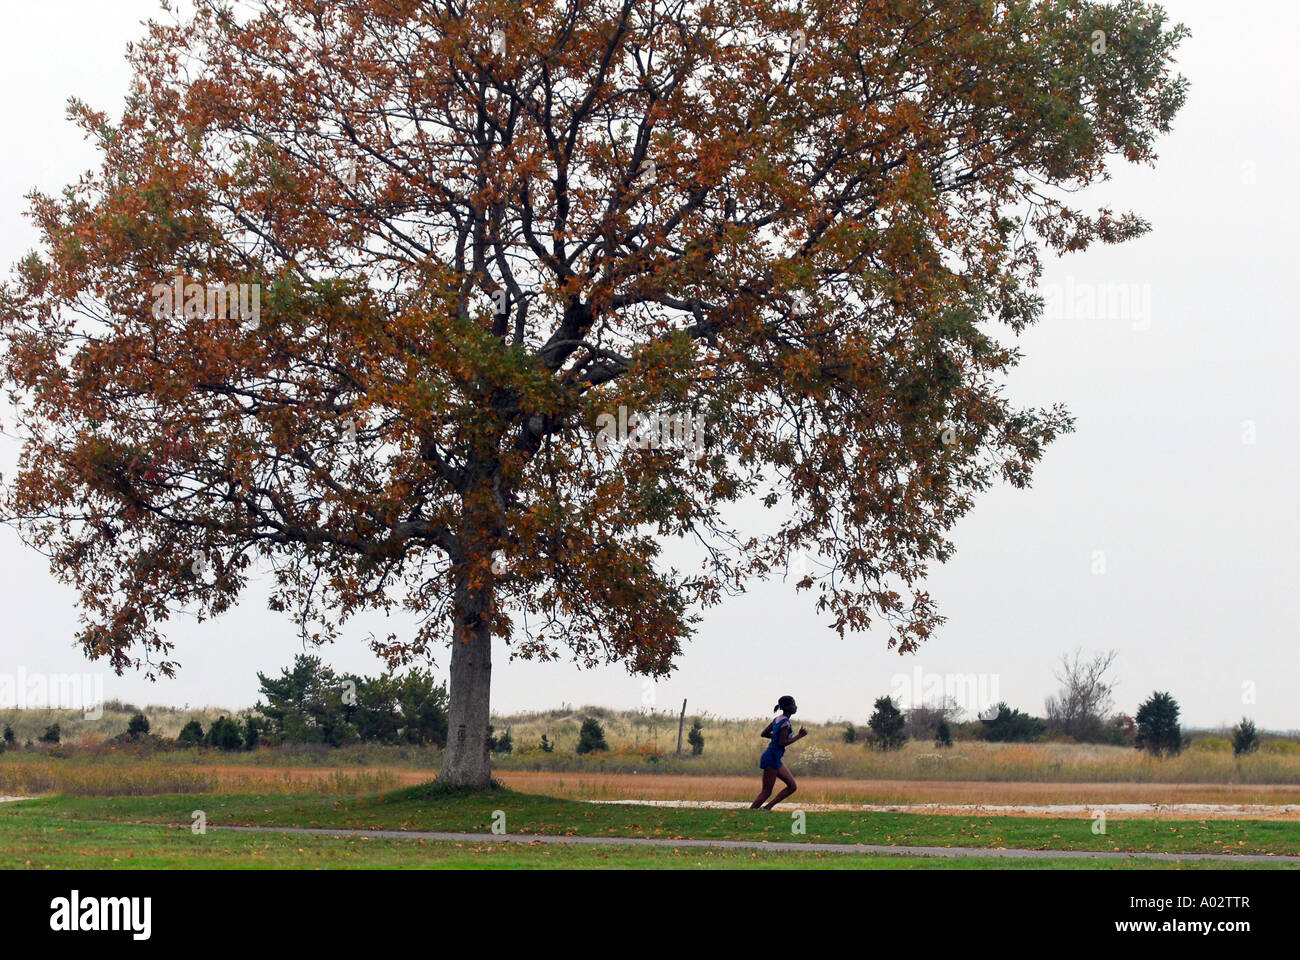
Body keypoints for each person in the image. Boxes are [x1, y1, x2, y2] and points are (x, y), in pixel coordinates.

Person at [750, 695, 807, 810]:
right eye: (793, 704)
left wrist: (775, 737)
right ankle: (751, 812)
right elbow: (782, 743)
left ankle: (767, 808)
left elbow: (764, 734)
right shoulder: (785, 723)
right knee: (766, 792)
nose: (796, 707)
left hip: (774, 758)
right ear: (786, 707)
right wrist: (799, 736)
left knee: (792, 786)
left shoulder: (777, 719)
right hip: (771, 758)